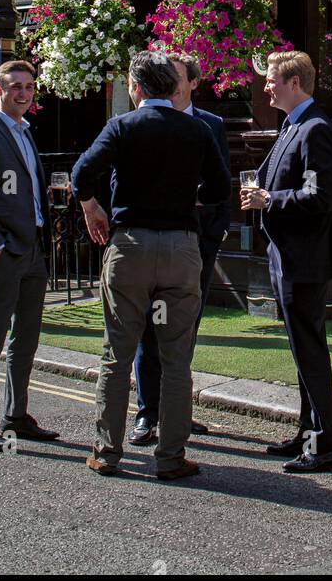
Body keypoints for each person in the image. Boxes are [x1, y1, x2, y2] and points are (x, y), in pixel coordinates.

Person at [71, 52, 231, 481]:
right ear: (173, 87)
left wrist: (91, 208)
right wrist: (182, 199)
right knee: (177, 358)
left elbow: (82, 173)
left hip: (131, 246)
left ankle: (107, 453)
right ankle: (171, 457)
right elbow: (219, 188)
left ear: (136, 87)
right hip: (181, 248)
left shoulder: (122, 126)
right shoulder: (197, 129)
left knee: (117, 354)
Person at [240, 51, 332, 474]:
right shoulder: (294, 126)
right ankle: (309, 434)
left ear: (295, 84)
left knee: (310, 351)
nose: (266, 86)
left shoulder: (315, 129)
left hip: (304, 259)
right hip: (286, 255)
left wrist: (269, 199)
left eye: (272, 81)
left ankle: (325, 446)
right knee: (302, 348)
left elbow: (320, 197)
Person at [130, 53, 231, 446]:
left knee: (183, 330)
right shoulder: (144, 123)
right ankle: (147, 412)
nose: (169, 82)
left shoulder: (211, 125)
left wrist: (214, 236)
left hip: (196, 246)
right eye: (164, 75)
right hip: (150, 244)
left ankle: (176, 411)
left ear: (191, 83)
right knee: (147, 330)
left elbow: (222, 188)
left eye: (176, 76)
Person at [0, 60, 59, 451]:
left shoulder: (25, 132)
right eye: (16, 86)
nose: (23, 92)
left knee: (26, 339)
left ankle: (16, 415)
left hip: (34, 249)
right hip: (4, 253)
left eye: (29, 86)